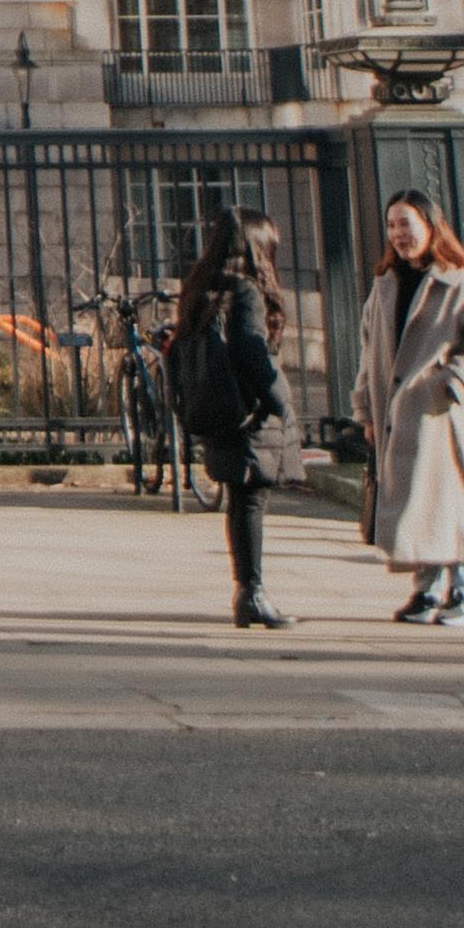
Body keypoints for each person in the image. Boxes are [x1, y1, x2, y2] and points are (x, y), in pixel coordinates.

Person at [357, 195, 464, 628]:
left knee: (451, 500)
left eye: (407, 224)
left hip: (439, 414)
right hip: (397, 411)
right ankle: (426, 587)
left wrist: (451, 385)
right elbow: (369, 352)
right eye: (393, 225)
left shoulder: (459, 285)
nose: (399, 234)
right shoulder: (384, 286)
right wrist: (365, 408)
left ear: (431, 226)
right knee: (416, 503)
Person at [164, 216, 310, 626]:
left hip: (219, 410)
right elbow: (250, 349)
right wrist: (280, 400)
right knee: (250, 502)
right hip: (249, 414)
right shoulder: (247, 291)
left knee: (239, 501)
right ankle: (252, 592)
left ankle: (248, 590)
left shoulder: (203, 290)